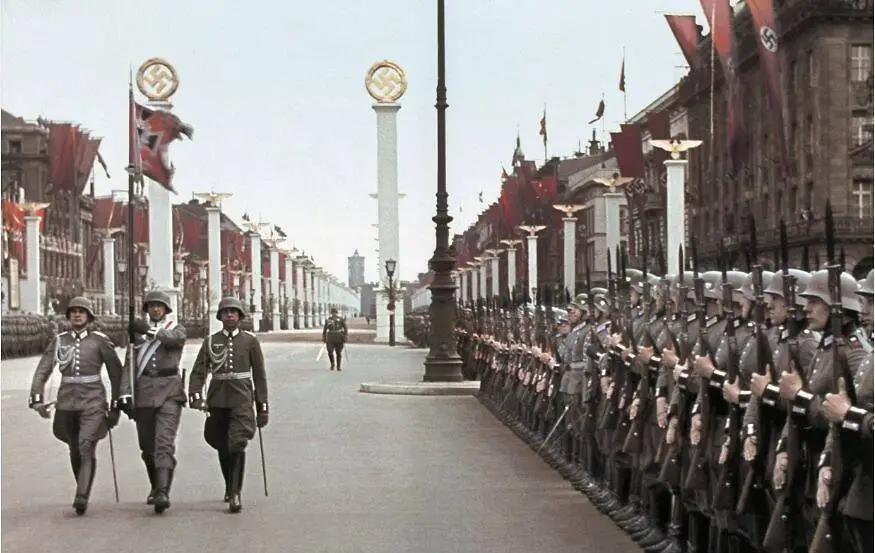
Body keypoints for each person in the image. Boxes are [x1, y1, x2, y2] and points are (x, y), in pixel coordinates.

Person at [29, 296, 123, 515]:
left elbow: (116, 374)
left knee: (85, 444)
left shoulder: (100, 341)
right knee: (74, 449)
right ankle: (83, 486)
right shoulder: (60, 341)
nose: (77, 315)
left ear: (89, 317)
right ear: (68, 316)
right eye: (73, 312)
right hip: (66, 402)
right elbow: (43, 369)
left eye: (81, 312)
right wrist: (37, 398)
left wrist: (116, 405)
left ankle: (81, 495)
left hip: (93, 401)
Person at [189, 297, 269, 513]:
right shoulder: (211, 341)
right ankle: (229, 485)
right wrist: (195, 395)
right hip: (217, 399)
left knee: (237, 443)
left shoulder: (250, 341)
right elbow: (199, 371)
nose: (230, 315)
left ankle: (235, 493)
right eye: (226, 312)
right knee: (222, 444)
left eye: (234, 312)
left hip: (242, 399)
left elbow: (259, 375)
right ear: (221, 316)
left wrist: (262, 406)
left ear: (240, 316)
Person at [118, 290, 186, 514]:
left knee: (164, 444)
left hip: (170, 391)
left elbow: (175, 340)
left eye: (160, 306)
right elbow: (130, 364)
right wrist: (124, 393)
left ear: (166, 309)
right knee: (147, 447)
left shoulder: (175, 327)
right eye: (151, 306)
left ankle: (163, 492)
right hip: (144, 392)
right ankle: (156, 485)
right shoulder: (137, 336)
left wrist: (148, 331)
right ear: (146, 309)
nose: (156, 309)